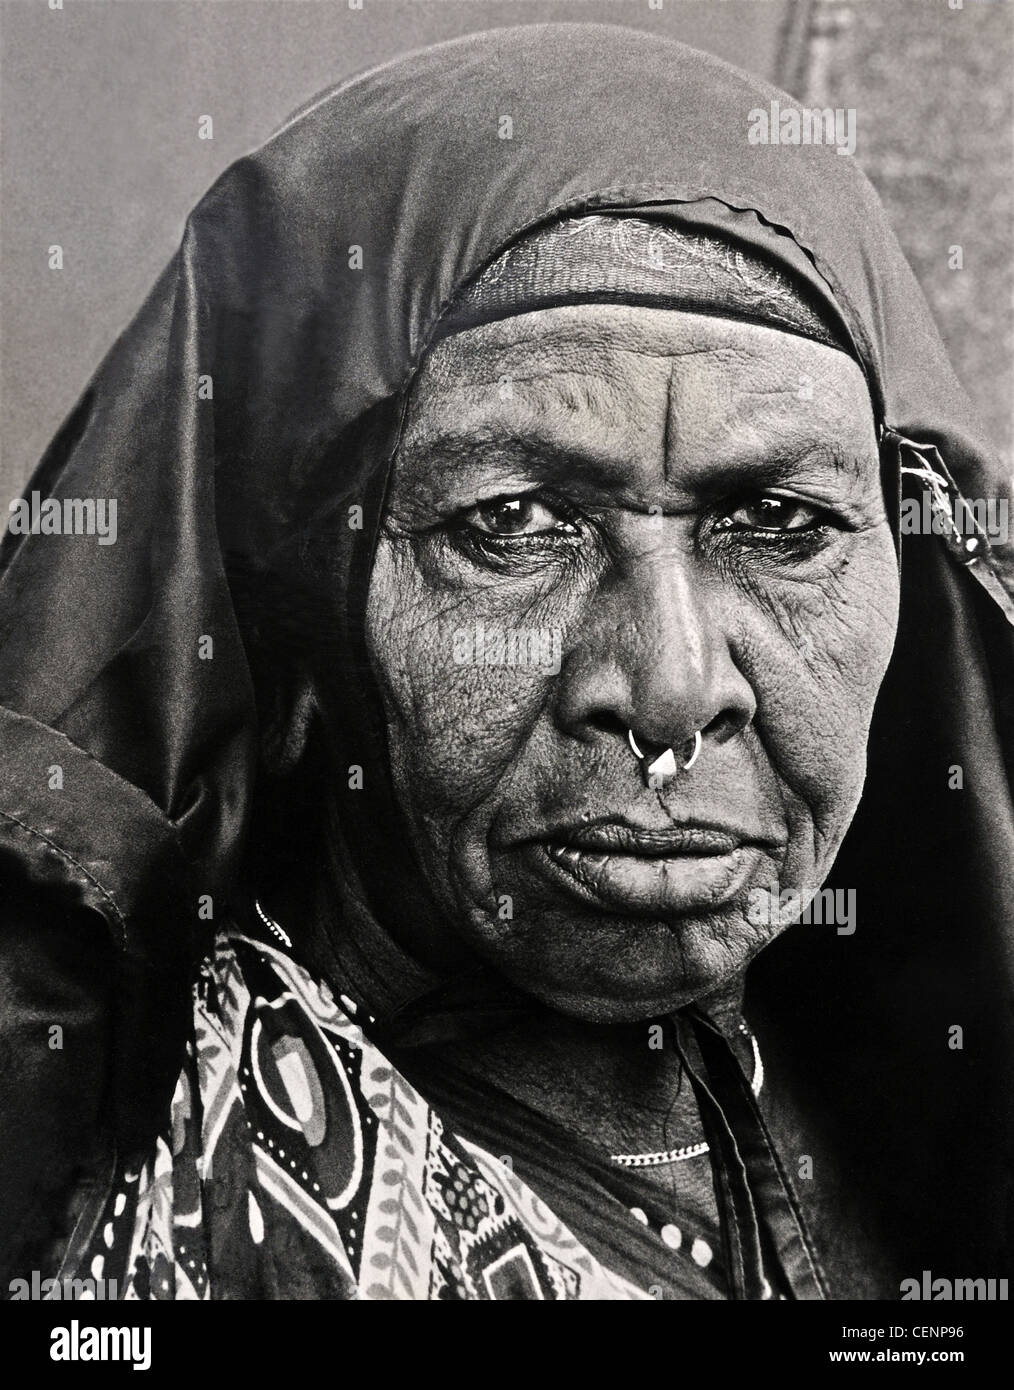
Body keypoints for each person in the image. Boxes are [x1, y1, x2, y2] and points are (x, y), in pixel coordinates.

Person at [1, 24, 1012, 1301]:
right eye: (512, 523)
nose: (670, 690)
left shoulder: (921, 1099)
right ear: (305, 598)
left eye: (783, 525)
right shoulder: (181, 1221)